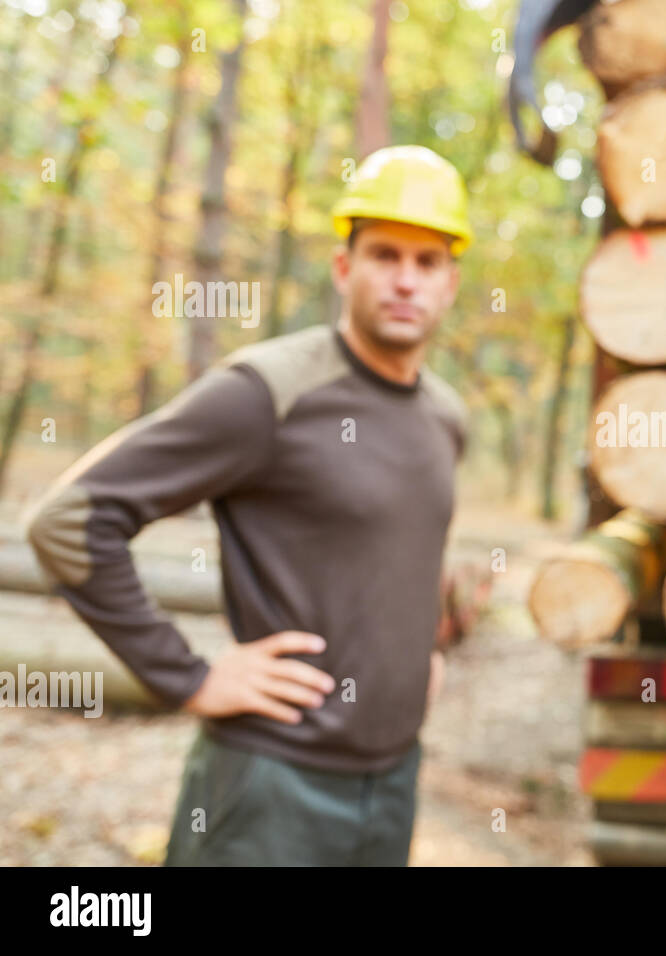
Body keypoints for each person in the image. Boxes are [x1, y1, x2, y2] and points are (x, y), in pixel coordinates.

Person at [23, 144, 474, 866]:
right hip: (269, 784)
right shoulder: (269, 393)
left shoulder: (446, 416)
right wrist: (189, 675)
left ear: (451, 282)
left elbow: (396, 550)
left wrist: (428, 649)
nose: (405, 281)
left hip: (394, 780)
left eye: (427, 263)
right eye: (386, 255)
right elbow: (70, 521)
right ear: (343, 268)